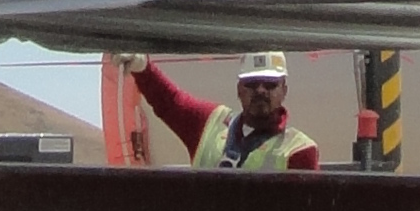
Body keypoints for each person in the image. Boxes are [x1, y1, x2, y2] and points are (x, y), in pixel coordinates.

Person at [124, 48, 325, 171]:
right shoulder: (210, 123)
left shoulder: (299, 150)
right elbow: (169, 102)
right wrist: (142, 68)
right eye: (252, 83)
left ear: (284, 90)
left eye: (270, 84)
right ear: (239, 89)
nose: (261, 91)